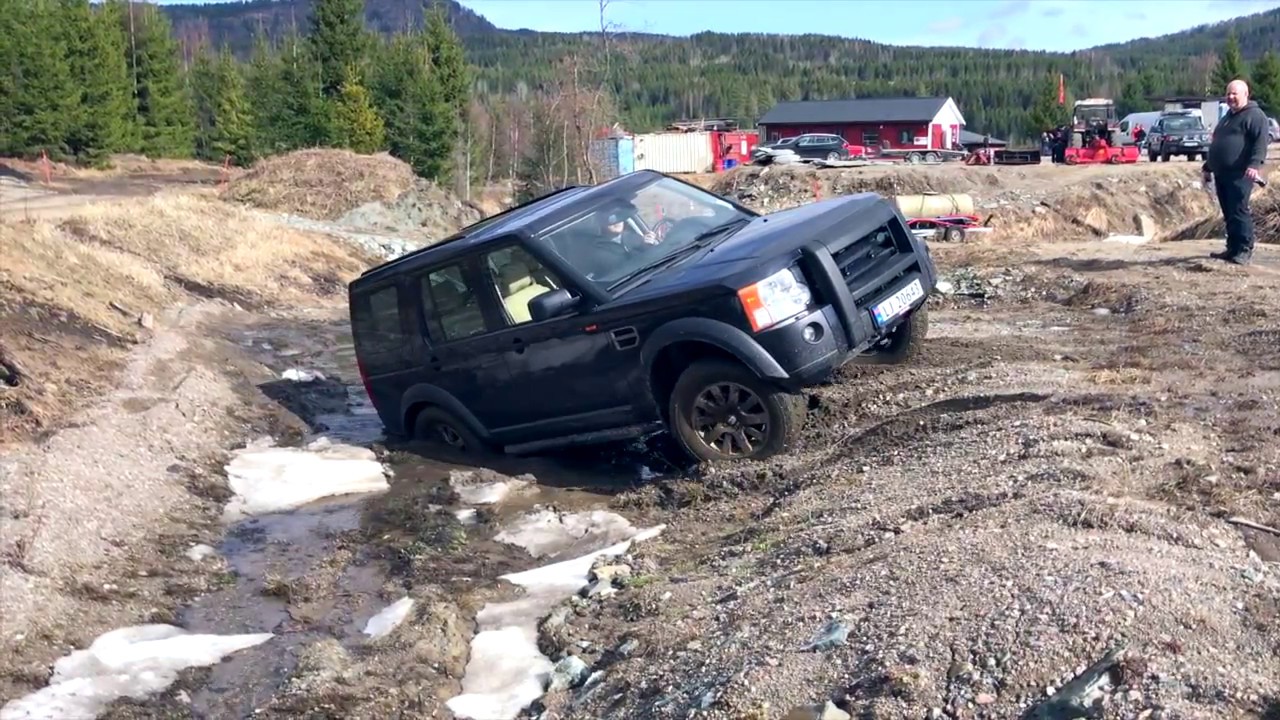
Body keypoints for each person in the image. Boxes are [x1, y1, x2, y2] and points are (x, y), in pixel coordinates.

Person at [1203, 79, 1268, 265]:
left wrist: (1254, 165)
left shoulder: (1255, 116)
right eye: (1228, 93)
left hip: (1240, 173)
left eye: (1234, 93)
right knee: (1228, 211)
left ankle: (1244, 249)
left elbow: (1260, 144)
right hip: (1222, 173)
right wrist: (1208, 167)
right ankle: (1232, 248)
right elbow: (1219, 145)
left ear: (1246, 94)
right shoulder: (1228, 117)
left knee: (1239, 210)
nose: (1230, 97)